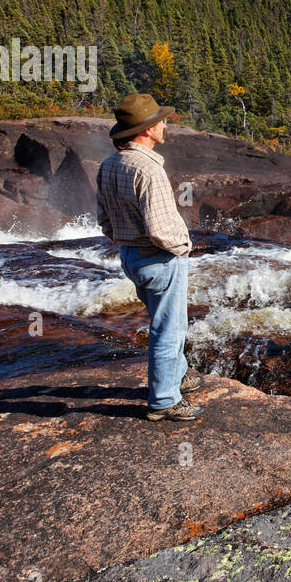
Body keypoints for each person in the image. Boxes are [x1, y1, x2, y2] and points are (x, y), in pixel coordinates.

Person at [96, 93, 205, 421]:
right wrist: (183, 247)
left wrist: (125, 239)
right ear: (145, 130)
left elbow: (104, 220)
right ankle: (164, 401)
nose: (164, 124)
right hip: (159, 258)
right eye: (159, 120)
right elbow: (160, 229)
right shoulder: (149, 170)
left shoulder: (109, 165)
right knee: (169, 329)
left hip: (130, 257)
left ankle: (180, 375)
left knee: (162, 320)